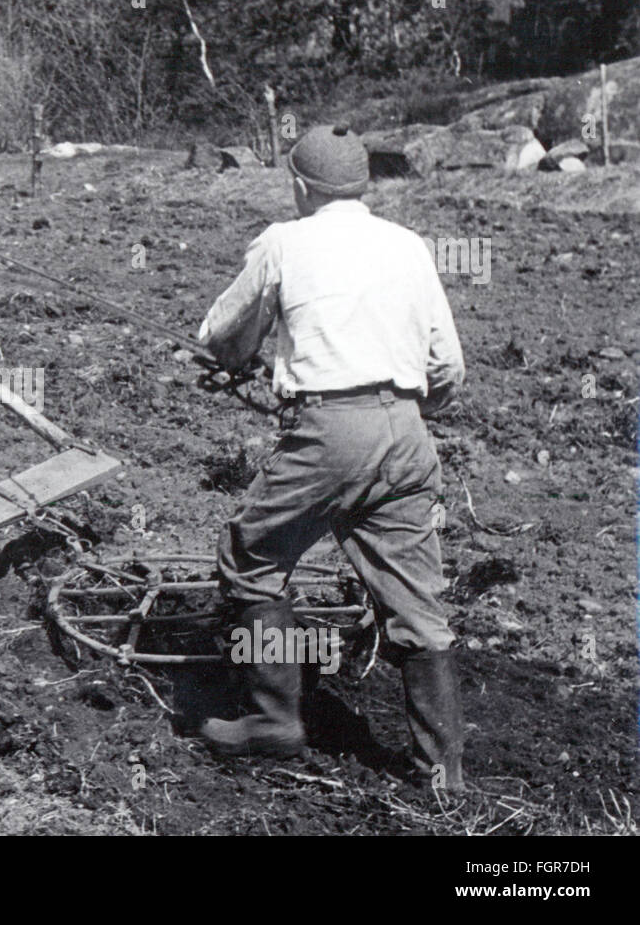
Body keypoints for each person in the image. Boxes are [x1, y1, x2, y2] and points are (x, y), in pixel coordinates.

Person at [196, 125, 467, 790]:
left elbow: (222, 335)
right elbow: (448, 368)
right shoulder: (408, 245)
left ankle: (272, 719)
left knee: (251, 557)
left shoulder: (284, 242)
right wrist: (395, 414)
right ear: (363, 185)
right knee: (417, 601)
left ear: (298, 184)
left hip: (327, 432)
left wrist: (239, 358)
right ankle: (443, 770)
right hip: (407, 432)